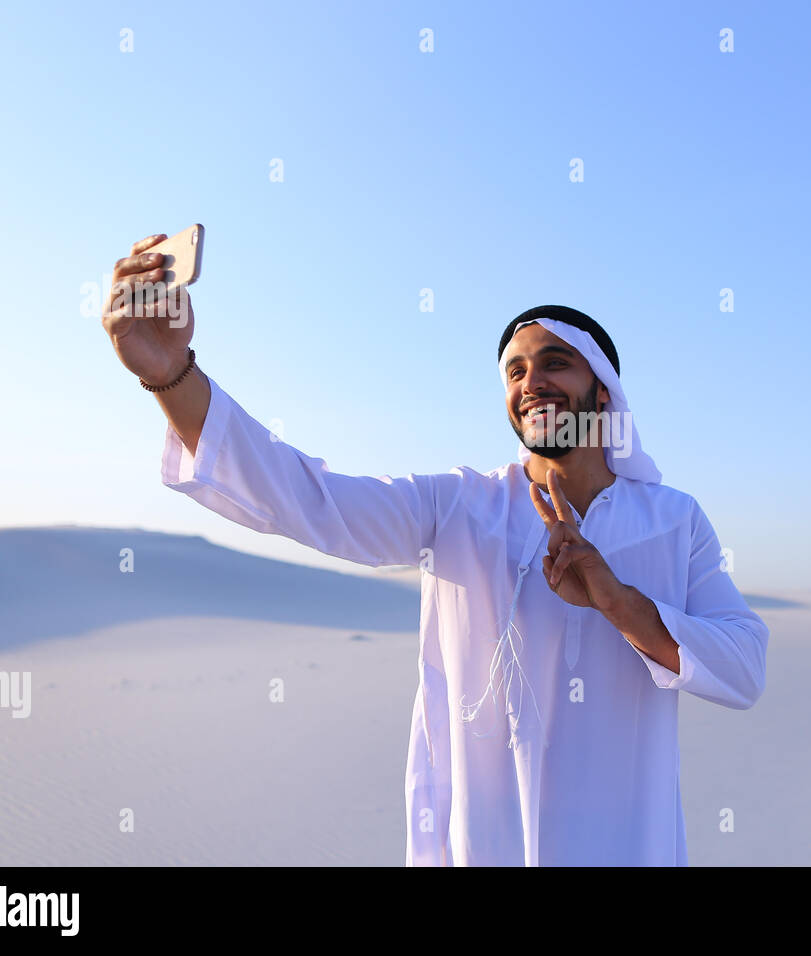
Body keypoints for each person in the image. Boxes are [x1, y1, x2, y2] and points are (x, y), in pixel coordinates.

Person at [101, 233, 769, 866]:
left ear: (604, 389)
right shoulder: (457, 507)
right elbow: (309, 498)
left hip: (628, 845)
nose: (530, 381)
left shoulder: (675, 520)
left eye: (554, 363)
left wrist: (619, 602)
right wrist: (171, 377)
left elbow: (743, 668)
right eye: (515, 370)